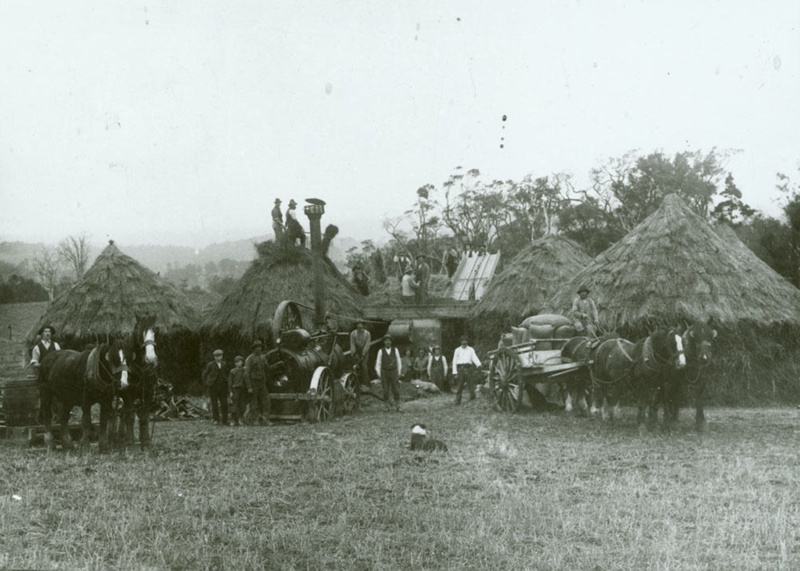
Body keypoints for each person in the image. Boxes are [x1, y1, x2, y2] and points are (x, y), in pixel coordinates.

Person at [245, 339, 272, 425]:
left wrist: (278, 365)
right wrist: (249, 387)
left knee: (266, 400)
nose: (259, 349)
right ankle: (255, 419)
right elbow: (246, 374)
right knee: (254, 402)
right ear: (254, 349)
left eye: (260, 347)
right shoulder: (250, 359)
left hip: (262, 383)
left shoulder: (262, 357)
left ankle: (265, 419)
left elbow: (268, 368)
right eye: (257, 347)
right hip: (254, 382)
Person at [374, 334, 402, 412]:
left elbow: (398, 361)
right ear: (384, 342)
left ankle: (398, 405)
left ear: (391, 342)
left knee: (396, 389)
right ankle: (386, 406)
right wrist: (379, 373)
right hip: (384, 372)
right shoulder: (381, 351)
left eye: (389, 341)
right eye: (386, 341)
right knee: (385, 390)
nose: (387, 342)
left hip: (393, 371)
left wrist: (398, 372)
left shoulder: (395, 350)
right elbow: (378, 363)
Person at [202, 349, 229, 426]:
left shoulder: (224, 364)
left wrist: (226, 381)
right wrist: (208, 383)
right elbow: (204, 374)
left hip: (223, 386)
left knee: (224, 403)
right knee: (214, 403)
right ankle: (216, 419)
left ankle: (225, 420)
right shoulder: (210, 364)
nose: (218, 358)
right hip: (214, 386)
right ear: (214, 357)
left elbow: (226, 374)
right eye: (216, 356)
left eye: (220, 356)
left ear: (222, 356)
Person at [453, 336, 482, 405]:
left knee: (471, 385)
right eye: (463, 343)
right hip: (461, 369)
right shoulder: (457, 350)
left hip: (469, 369)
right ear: (461, 342)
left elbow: (474, 357)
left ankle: (472, 399)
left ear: (467, 342)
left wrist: (479, 364)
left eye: (465, 343)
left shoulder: (471, 349)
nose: (464, 345)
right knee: (459, 386)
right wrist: (454, 372)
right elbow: (454, 361)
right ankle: (457, 401)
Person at [349, 319, 372, 389]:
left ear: (363, 325)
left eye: (360, 325)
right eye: (358, 325)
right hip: (357, 351)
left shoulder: (367, 334)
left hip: (365, 350)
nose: (359, 327)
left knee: (364, 365)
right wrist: (353, 352)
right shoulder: (353, 333)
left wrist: (363, 353)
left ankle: (366, 383)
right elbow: (352, 343)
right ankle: (354, 383)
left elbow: (367, 344)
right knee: (355, 365)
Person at [228, 355, 247, 426]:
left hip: (243, 389)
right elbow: (230, 382)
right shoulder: (232, 371)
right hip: (235, 389)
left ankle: (240, 419)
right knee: (234, 405)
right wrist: (230, 391)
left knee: (242, 405)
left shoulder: (244, 370)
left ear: (242, 362)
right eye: (237, 362)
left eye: (240, 362)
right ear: (235, 363)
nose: (238, 363)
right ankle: (233, 420)